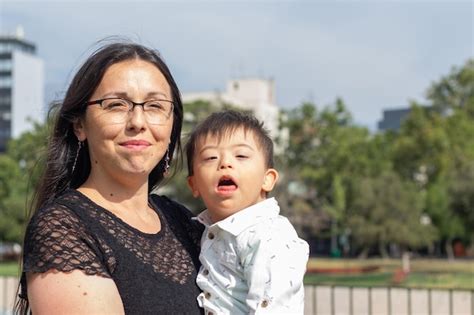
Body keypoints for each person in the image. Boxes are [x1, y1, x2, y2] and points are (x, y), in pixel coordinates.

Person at [15, 40, 204, 314]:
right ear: (80, 125)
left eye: (155, 106)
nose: (138, 122)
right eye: (116, 105)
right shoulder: (63, 229)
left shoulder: (184, 222)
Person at [185, 110, 309, 314]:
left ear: (267, 179)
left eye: (241, 155)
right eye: (210, 157)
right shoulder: (200, 229)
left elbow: (273, 305)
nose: (225, 163)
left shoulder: (268, 234)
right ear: (194, 184)